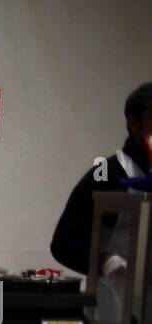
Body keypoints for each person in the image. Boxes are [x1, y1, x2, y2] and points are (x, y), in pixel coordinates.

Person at [50, 82, 152, 278]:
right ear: (134, 124)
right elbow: (65, 243)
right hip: (116, 300)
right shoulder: (105, 173)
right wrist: (105, 261)